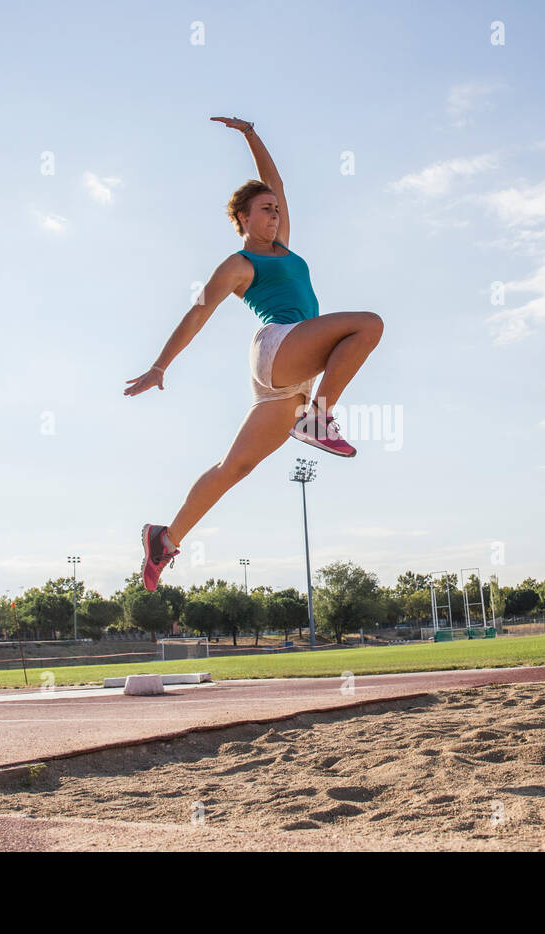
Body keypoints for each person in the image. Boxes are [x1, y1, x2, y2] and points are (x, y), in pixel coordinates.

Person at [124, 116, 384, 591]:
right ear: (243, 217)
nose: (276, 215)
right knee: (368, 325)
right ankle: (320, 418)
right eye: (266, 210)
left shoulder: (283, 246)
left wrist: (251, 134)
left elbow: (277, 182)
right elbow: (198, 313)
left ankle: (165, 537)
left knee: (235, 467)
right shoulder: (240, 264)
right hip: (279, 346)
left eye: (277, 211)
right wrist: (160, 366)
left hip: (290, 375)